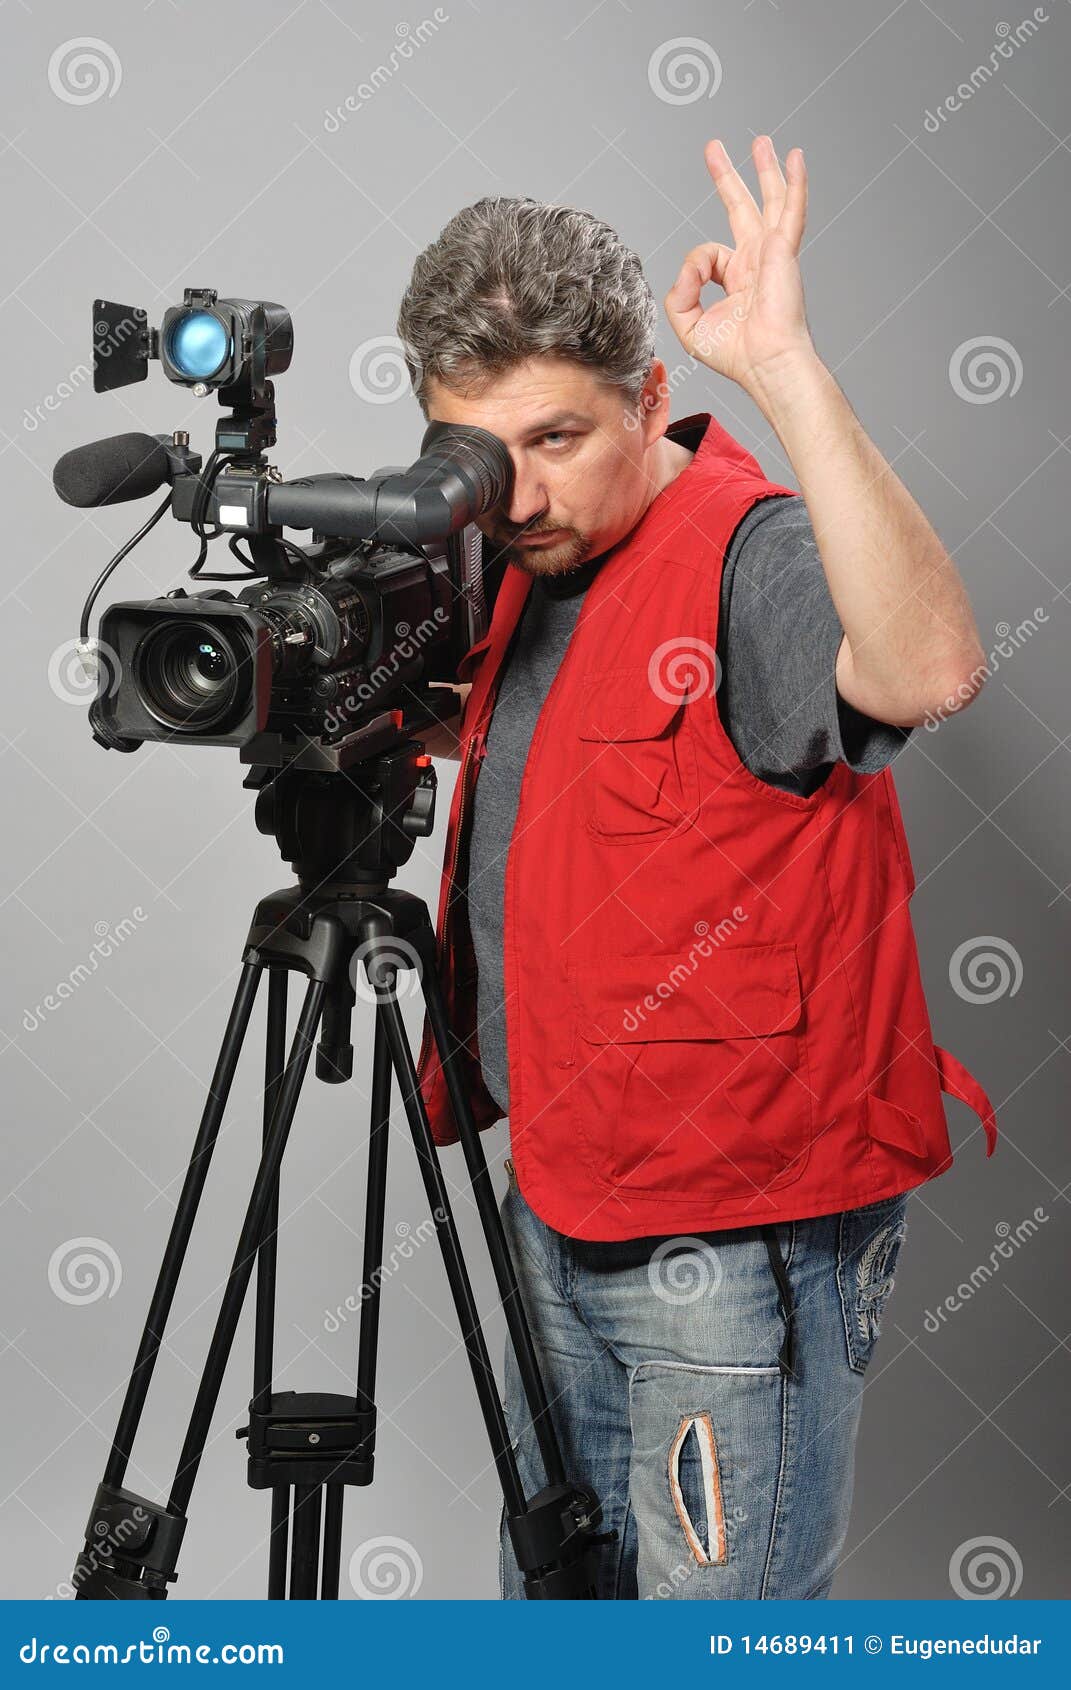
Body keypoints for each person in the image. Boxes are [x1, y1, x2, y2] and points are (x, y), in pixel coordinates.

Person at [396, 136, 998, 1599]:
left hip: (733, 1236)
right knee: (568, 1608)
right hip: (559, 1182)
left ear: (653, 397)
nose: (515, 492)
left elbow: (930, 667)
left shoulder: (755, 561)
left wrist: (785, 368)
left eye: (557, 440)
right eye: (478, 450)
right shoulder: (516, 567)